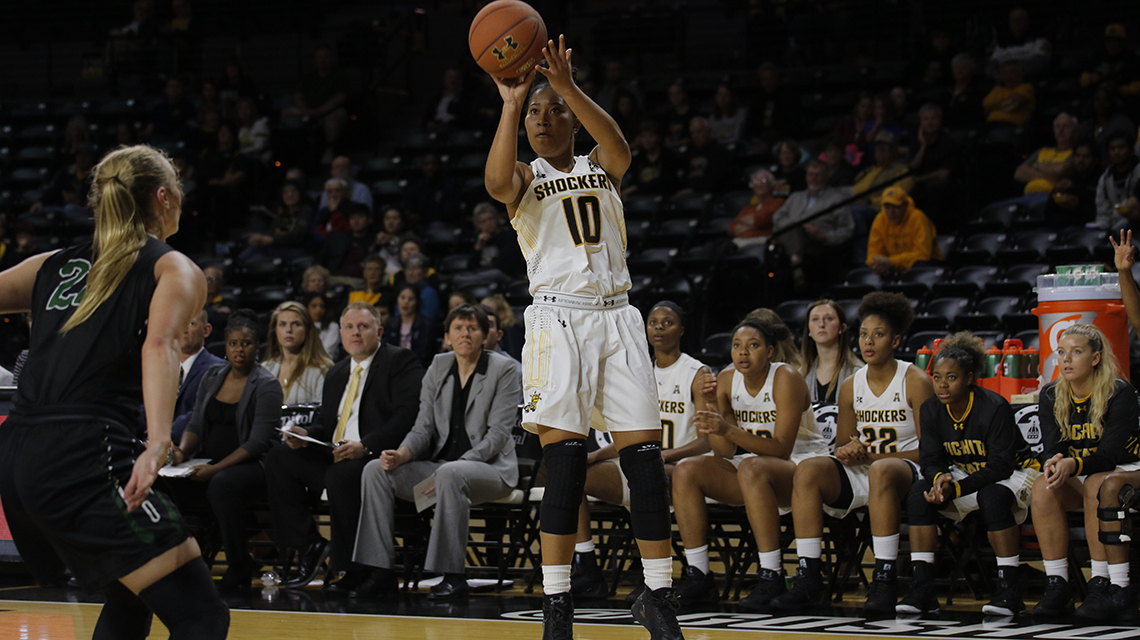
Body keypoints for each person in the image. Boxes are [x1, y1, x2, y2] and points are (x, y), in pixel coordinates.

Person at [485, 35, 685, 640]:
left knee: (645, 466)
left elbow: (620, 145)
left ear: (574, 119)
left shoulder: (603, 168)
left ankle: (658, 597)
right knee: (566, 465)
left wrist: (567, 86)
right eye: (537, 113)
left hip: (619, 317)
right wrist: (511, 104)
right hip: (558, 321)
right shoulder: (527, 176)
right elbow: (495, 182)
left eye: (556, 111)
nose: (545, 120)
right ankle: (558, 605)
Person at [0, 144, 229, 638]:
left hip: (17, 455)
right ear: (163, 197)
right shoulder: (173, 267)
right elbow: (161, 345)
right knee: (200, 614)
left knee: (131, 598)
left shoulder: (51, 264)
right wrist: (158, 442)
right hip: (83, 454)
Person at [772, 292, 933, 613]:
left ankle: (884, 578)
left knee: (882, 470)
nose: (868, 342)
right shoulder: (851, 385)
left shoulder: (915, 380)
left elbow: (931, 451)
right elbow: (843, 445)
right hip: (867, 470)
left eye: (878, 334)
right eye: (864, 334)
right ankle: (809, 577)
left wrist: (872, 458)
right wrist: (848, 450)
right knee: (809, 469)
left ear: (896, 340)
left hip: (908, 471)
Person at [352, 305, 522, 598]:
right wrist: (401, 455)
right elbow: (423, 428)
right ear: (447, 337)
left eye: (472, 329)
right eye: (458, 328)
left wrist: (463, 461)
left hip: (492, 470)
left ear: (485, 337)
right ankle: (379, 572)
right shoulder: (438, 366)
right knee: (376, 471)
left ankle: (453, 576)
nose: (465, 334)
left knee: (450, 473)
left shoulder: (503, 369)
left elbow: (498, 434)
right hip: (443, 469)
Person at [267, 302, 424, 591]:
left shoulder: (399, 361)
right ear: (340, 334)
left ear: (379, 331)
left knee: (341, 475)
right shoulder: (337, 372)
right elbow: (327, 424)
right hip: (336, 452)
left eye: (363, 327)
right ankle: (309, 543)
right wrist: (306, 434)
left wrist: (365, 446)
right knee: (279, 457)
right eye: (349, 328)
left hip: (376, 456)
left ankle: (354, 570)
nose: (355, 333)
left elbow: (406, 416)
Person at [672, 313, 823, 610]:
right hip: (754, 471)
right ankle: (698, 574)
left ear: (770, 351)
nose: (743, 352)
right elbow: (724, 452)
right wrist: (713, 405)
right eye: (737, 345)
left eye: (753, 345)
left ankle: (771, 573)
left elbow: (781, 449)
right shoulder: (727, 379)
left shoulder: (786, 377)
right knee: (686, 470)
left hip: (801, 467)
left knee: (753, 467)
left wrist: (728, 429)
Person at [571, 302, 714, 598]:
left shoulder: (696, 372)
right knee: (573, 475)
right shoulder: (637, 370)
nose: (659, 327)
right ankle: (587, 567)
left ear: (682, 330)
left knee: (647, 476)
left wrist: (665, 455)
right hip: (644, 466)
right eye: (653, 322)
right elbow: (631, 435)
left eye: (668, 322)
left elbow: (706, 441)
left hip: (683, 469)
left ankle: (666, 575)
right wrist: (595, 456)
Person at [895, 332, 1039, 616]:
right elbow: (931, 458)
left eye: (951, 377)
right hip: (968, 473)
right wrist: (939, 480)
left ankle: (1009, 590)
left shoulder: (994, 407)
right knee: (919, 494)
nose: (942, 384)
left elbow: (1001, 466)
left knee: (992, 496)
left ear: (970, 378)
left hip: (1017, 471)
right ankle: (923, 588)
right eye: (937, 377)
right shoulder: (931, 409)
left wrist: (956, 489)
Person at [1030, 322, 1140, 619]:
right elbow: (1052, 446)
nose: (1065, 359)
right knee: (1043, 486)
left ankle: (1100, 583)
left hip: (1127, 469)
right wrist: (1053, 462)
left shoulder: (1120, 391)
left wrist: (1073, 464)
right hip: (1084, 470)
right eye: (1061, 352)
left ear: (1095, 358)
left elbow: (1109, 456)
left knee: (1096, 483)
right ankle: (1057, 584)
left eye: (1076, 352)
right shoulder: (1051, 394)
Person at [170, 310, 283, 595]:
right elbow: (196, 424)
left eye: (246, 343)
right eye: (233, 343)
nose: (239, 350)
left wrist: (216, 469)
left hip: (256, 466)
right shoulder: (212, 376)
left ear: (257, 348)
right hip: (210, 461)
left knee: (222, 485)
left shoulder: (267, 384)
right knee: (166, 482)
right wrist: (181, 453)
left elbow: (258, 443)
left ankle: (239, 567)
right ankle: (179, 562)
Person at [772, 161, 855, 287]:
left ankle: (795, 263)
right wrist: (798, 225)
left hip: (816, 242)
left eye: (818, 175)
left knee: (788, 233)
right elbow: (777, 216)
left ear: (827, 177)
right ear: (806, 177)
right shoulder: (796, 197)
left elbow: (847, 229)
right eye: (810, 174)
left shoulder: (836, 199)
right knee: (794, 230)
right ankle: (796, 261)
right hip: (794, 237)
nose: (813, 178)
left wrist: (825, 236)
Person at [171, 309, 226, 443]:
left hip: (192, 447)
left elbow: (199, 413)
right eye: (179, 323)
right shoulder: (161, 367)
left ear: (206, 330)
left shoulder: (218, 369)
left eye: (191, 324)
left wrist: (161, 437)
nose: (184, 330)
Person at [263, 301, 333, 405]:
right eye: (282, 324)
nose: (288, 330)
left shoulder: (322, 370)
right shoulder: (265, 369)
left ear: (307, 329)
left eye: (296, 324)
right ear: (275, 330)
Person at [865, 186, 942, 275]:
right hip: (892, 265)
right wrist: (876, 263)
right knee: (869, 270)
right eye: (887, 207)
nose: (891, 212)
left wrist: (891, 261)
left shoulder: (918, 218)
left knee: (920, 265)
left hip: (926, 265)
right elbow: (872, 254)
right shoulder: (880, 220)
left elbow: (923, 255)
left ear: (905, 205)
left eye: (895, 207)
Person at [241, 179, 313, 262]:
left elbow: (296, 237)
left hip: (297, 249)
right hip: (279, 247)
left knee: (257, 250)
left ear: (300, 193)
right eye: (285, 192)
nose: (290, 194)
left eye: (293, 191)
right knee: (253, 246)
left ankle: (235, 264)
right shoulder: (282, 212)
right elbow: (272, 232)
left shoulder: (306, 211)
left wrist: (272, 240)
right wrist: (260, 239)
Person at [1014, 113, 1079, 198]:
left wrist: (1037, 166)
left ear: (1075, 132)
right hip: (1028, 195)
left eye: (1066, 127)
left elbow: (1059, 172)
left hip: (1052, 197)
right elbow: (1019, 173)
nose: (1061, 130)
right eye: (1057, 126)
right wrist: (1050, 175)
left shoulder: (1076, 153)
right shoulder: (1042, 151)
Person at [1046, 142, 1101, 228]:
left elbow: (1096, 207)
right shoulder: (1069, 178)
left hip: (1086, 226)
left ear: (1095, 159)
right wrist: (1054, 193)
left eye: (1086, 157)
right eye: (1078, 156)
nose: (1081, 160)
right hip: (1060, 226)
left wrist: (1076, 192)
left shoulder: (1101, 179)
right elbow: (1048, 213)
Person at [383, 283, 437, 368]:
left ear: (417, 302)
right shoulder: (390, 323)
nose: (406, 302)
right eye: (402, 298)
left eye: (410, 299)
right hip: (393, 367)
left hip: (417, 368)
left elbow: (424, 354)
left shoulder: (426, 325)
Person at [1095, 132, 1140, 231]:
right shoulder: (1105, 178)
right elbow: (1103, 210)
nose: (1116, 152)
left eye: (1121, 147)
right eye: (1112, 148)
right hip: (1112, 226)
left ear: (1131, 150)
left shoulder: (1138, 173)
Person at [676, 116, 731, 195]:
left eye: (698, 131)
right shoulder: (689, 152)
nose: (695, 136)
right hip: (686, 194)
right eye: (692, 133)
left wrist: (694, 190)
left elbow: (716, 180)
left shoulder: (719, 152)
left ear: (708, 131)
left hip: (708, 194)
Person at [729, 169, 784, 246]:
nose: (759, 185)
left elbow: (761, 220)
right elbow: (731, 228)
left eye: (763, 181)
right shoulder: (748, 208)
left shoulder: (778, 202)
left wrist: (743, 222)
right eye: (756, 182)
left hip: (761, 241)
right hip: (739, 241)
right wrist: (752, 224)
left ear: (771, 185)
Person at [471, 201, 526, 276]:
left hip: (505, 276)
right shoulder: (477, 239)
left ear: (496, 219)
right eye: (483, 221)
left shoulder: (509, 236)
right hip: (482, 276)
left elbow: (506, 265)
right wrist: (478, 246)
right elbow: (471, 267)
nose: (488, 223)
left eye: (490, 219)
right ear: (478, 225)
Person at [321, 204, 374, 282]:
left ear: (369, 220)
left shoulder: (375, 240)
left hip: (358, 280)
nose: (356, 221)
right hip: (333, 278)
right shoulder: (338, 238)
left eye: (360, 217)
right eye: (352, 218)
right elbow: (321, 258)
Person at [983, 61, 1036, 130]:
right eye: (1005, 73)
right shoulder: (998, 89)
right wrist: (1009, 96)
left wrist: (995, 106)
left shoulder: (1026, 88)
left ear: (1021, 74)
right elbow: (986, 104)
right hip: (991, 123)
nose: (1009, 76)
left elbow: (1012, 105)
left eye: (1013, 72)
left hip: (1012, 125)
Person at [304, 291, 341, 359]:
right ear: (306, 308)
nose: (318, 310)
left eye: (322, 306)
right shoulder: (301, 326)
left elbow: (328, 351)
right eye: (314, 306)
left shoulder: (332, 326)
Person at [372, 206, 406, 275]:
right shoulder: (378, 237)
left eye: (395, 218)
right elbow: (370, 259)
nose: (390, 222)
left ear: (402, 222)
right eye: (387, 218)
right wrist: (378, 245)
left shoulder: (408, 239)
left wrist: (391, 241)